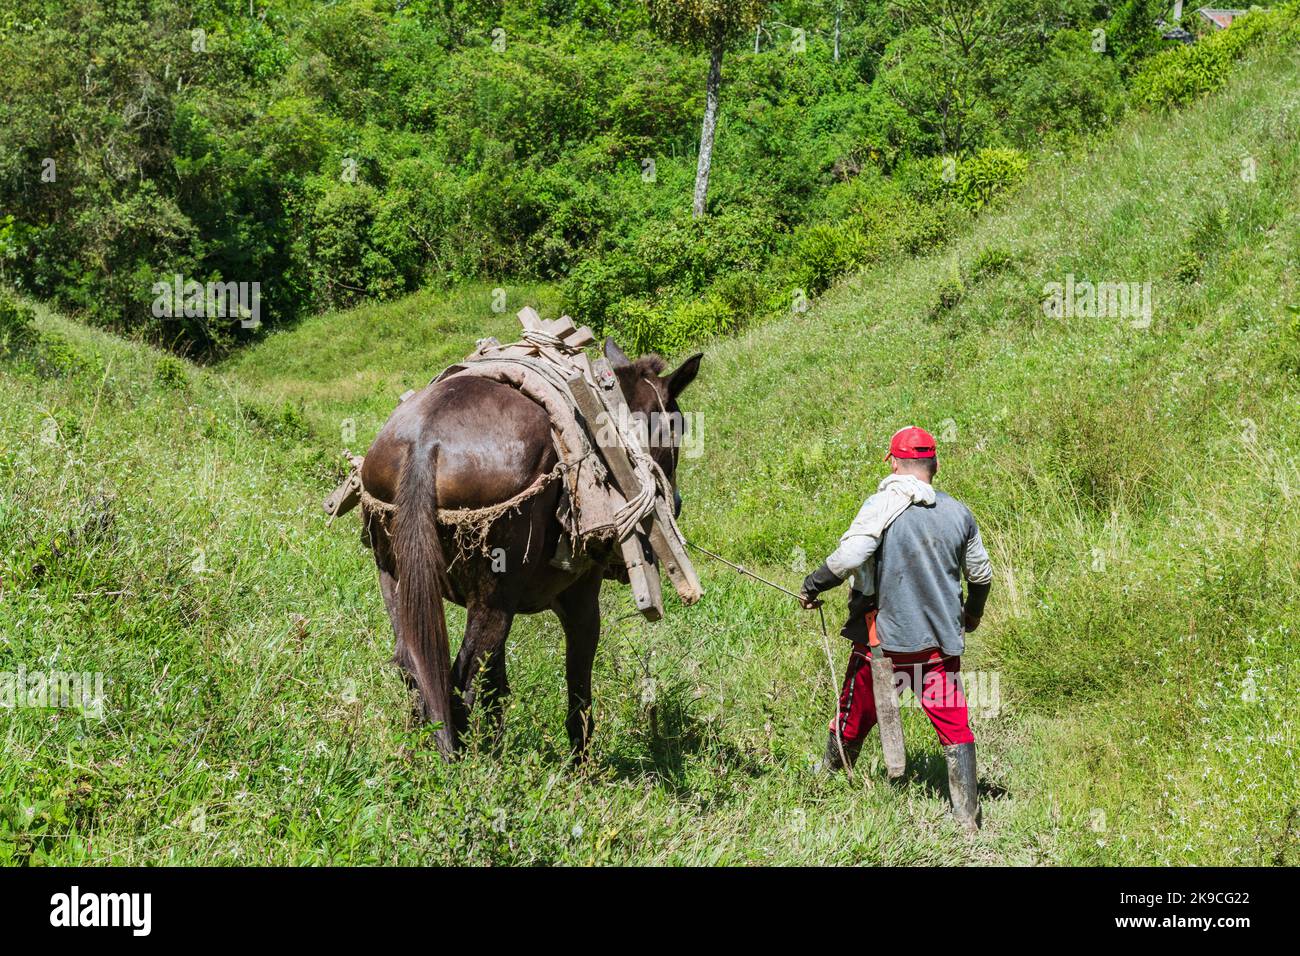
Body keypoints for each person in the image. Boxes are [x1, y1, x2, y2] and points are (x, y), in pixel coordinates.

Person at [798, 426, 992, 831]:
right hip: (939, 645)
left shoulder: (881, 504)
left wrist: (813, 584)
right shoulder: (959, 513)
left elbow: (852, 553)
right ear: (934, 465)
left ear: (894, 463)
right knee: (954, 722)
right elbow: (982, 576)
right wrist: (971, 615)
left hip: (882, 645)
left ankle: (823, 784)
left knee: (852, 716)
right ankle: (967, 817)